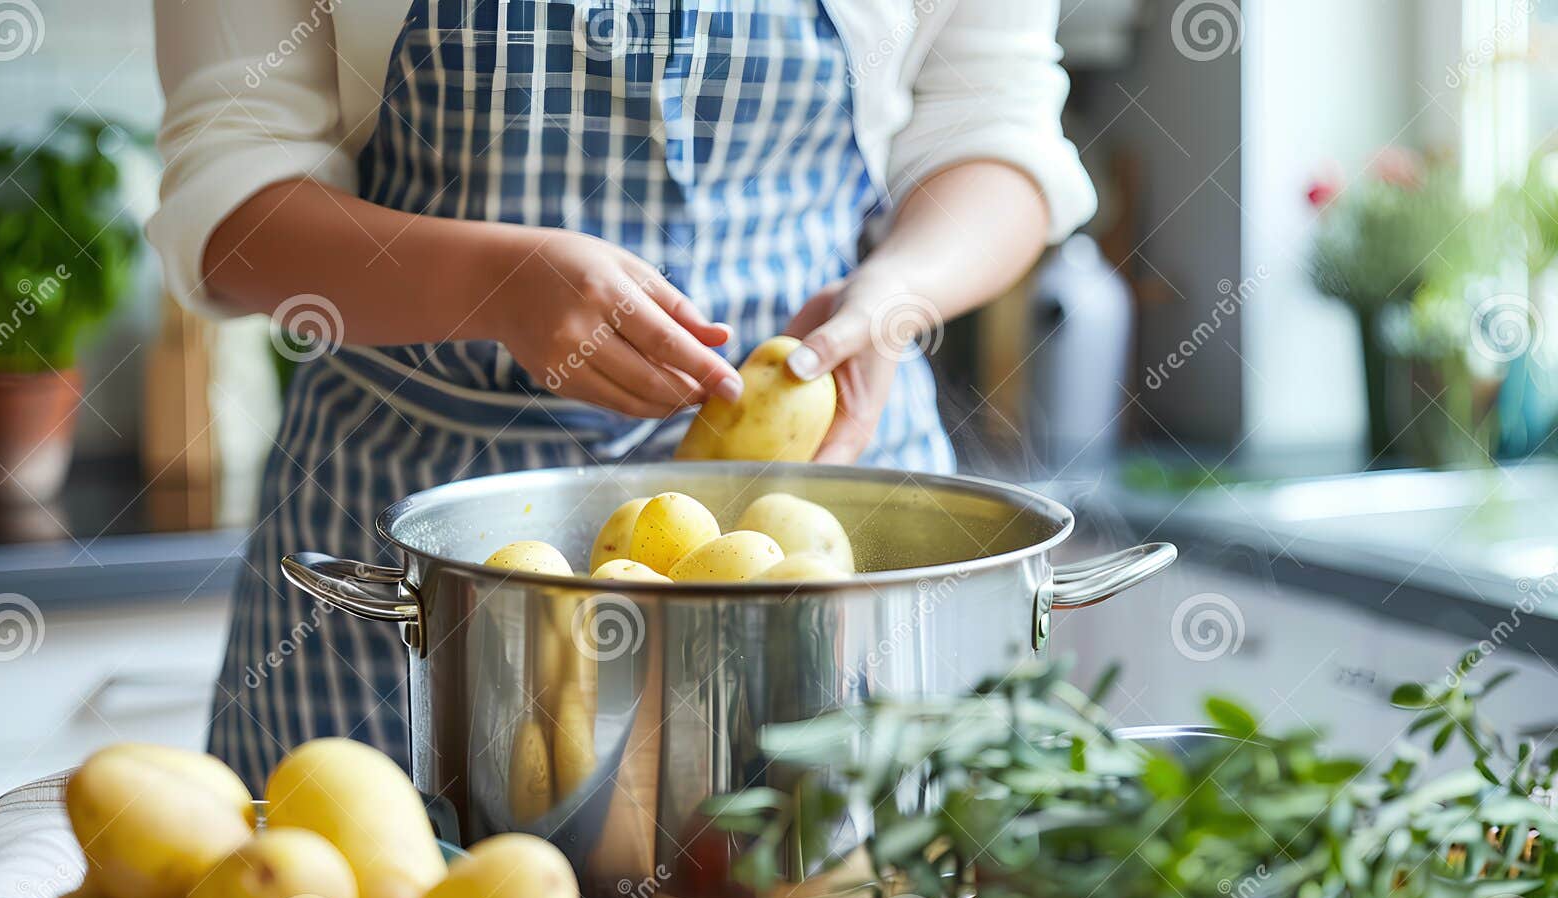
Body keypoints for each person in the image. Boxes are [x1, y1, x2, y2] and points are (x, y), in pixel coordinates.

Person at [149, 0, 1096, 791]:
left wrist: (894, 300)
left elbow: (997, 132)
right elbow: (231, 196)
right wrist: (491, 285)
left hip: (828, 519)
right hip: (416, 548)